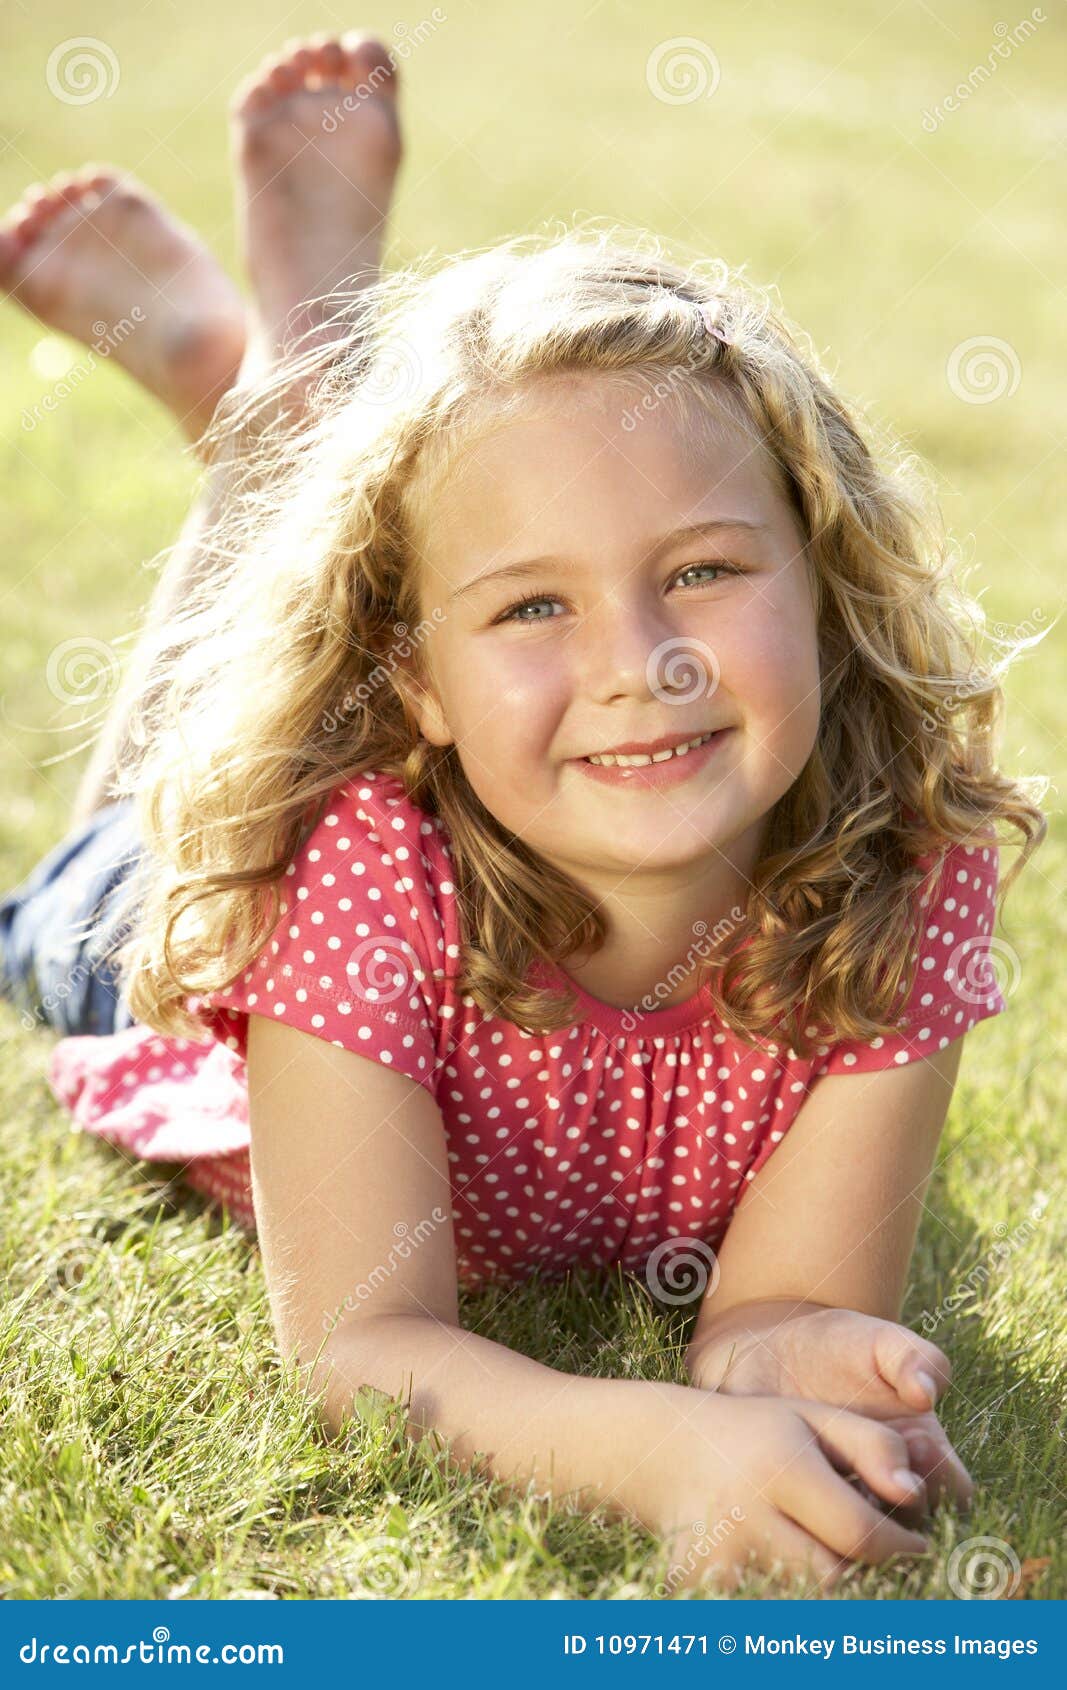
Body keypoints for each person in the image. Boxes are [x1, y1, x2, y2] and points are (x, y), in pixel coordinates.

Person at [0, 32, 1047, 1593]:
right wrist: (654, 1447)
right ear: (413, 677)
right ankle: (269, 439)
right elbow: (365, 1344)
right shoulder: (352, 864)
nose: (646, 663)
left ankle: (291, 410)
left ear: (823, 589)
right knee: (107, 882)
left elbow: (766, 1314)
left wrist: (795, 1362)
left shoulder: (905, 865)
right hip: (223, 938)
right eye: (533, 604)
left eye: (701, 569)